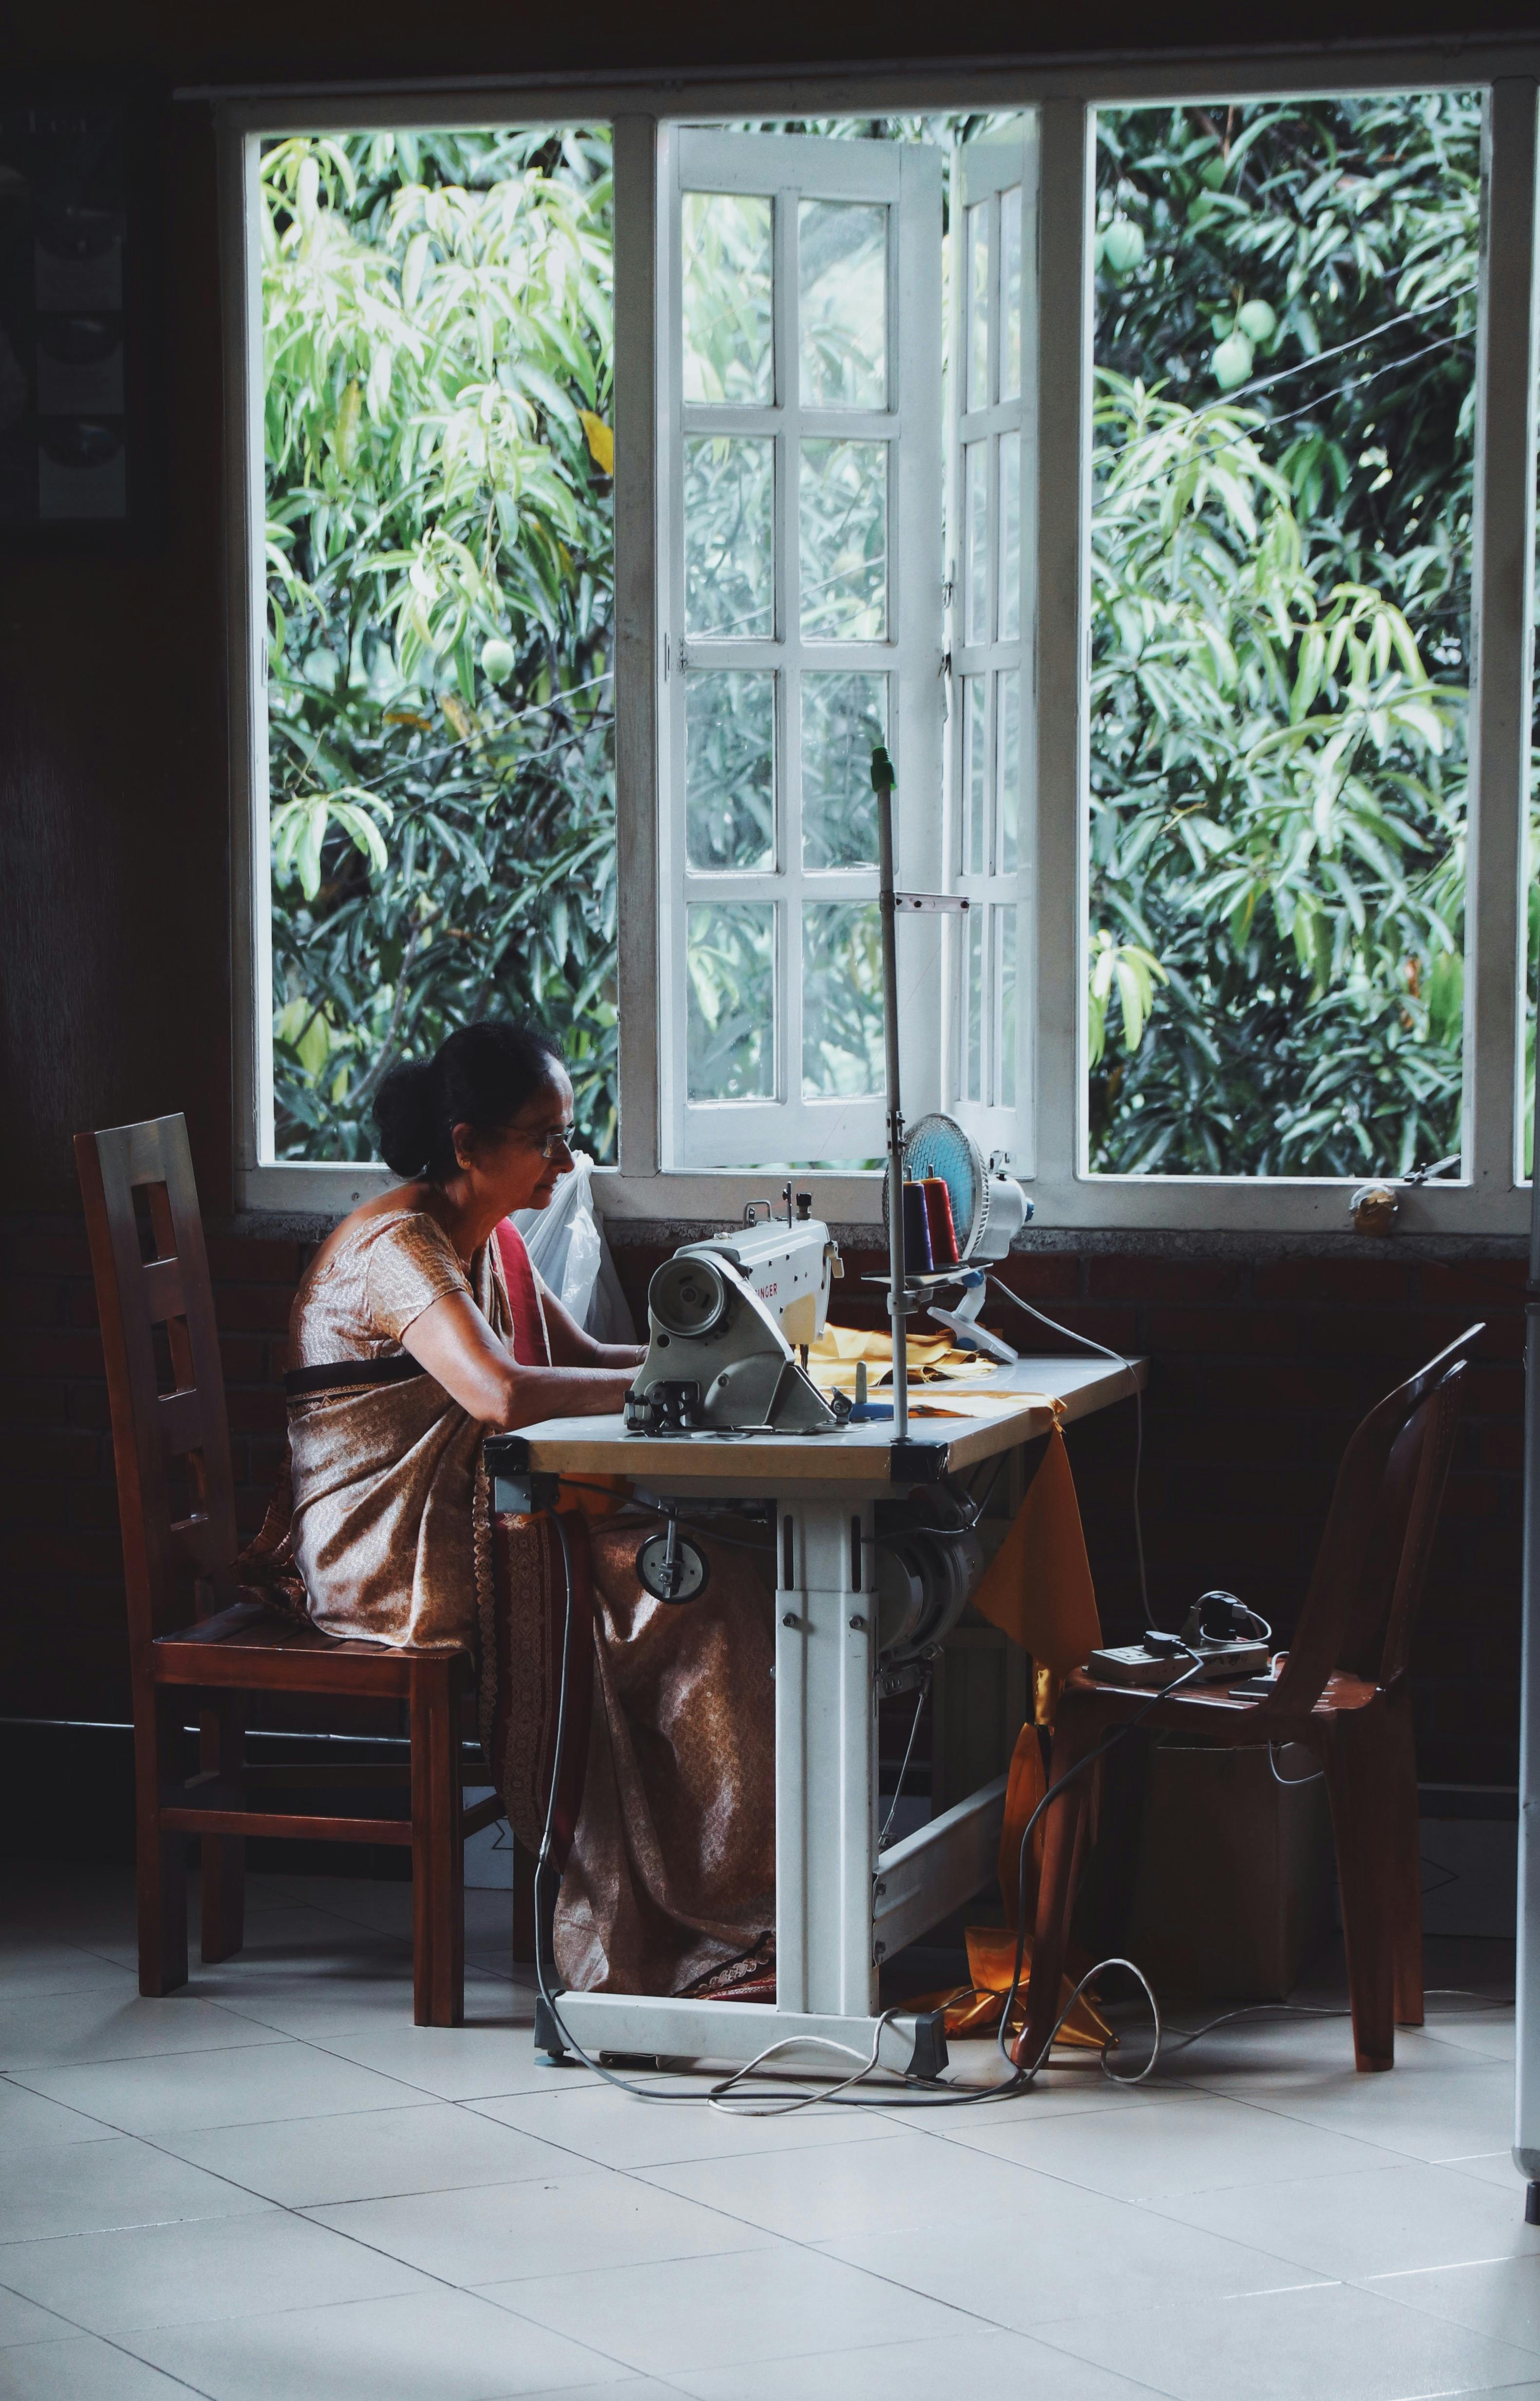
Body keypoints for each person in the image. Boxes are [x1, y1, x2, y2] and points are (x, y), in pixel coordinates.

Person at [248, 1021, 776, 2003]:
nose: (565, 1160)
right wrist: (670, 1389)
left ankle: (729, 1910)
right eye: (545, 1137)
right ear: (466, 1143)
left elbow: (580, 1358)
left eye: (567, 1134)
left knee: (707, 1573)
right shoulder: (399, 1249)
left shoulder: (486, 1241)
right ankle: (701, 1922)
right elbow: (501, 1391)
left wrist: (731, 1355)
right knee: (695, 1599)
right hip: (387, 1553)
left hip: (465, 1523)